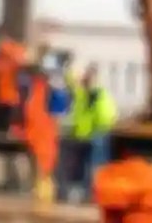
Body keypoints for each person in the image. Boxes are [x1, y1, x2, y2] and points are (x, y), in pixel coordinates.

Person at [58, 63, 120, 202]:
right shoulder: (83, 93)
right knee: (86, 167)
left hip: (96, 134)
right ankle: (87, 194)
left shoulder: (96, 94)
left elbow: (105, 115)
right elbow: (70, 82)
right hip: (84, 135)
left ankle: (92, 194)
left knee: (93, 167)